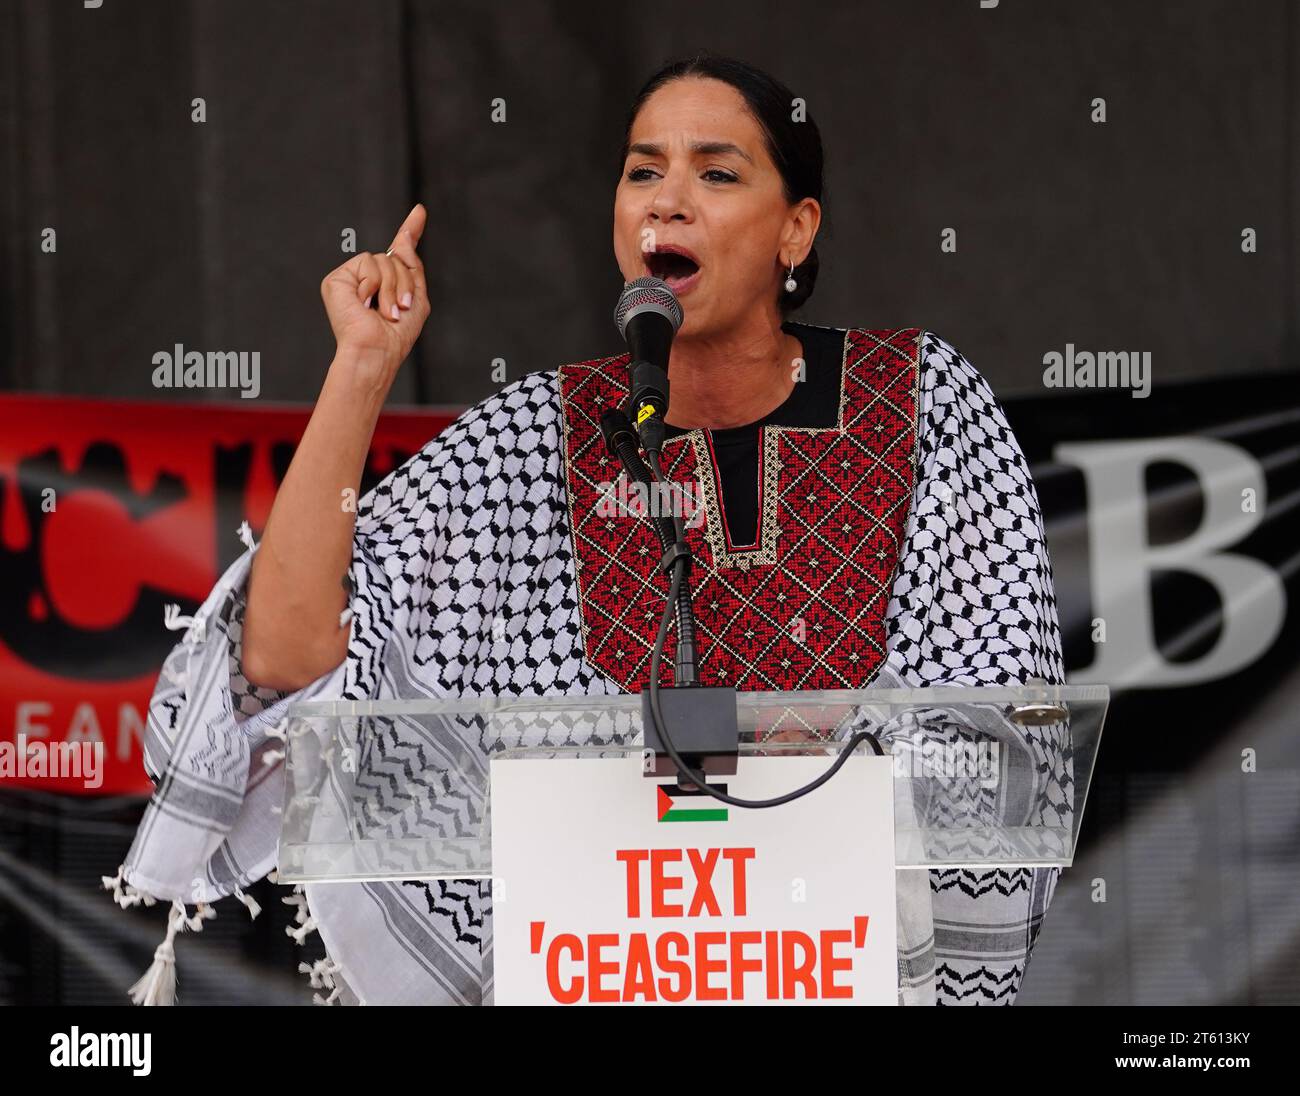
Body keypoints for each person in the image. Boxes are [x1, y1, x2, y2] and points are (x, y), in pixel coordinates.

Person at [106, 53, 1067, 1006]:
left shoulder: (920, 399)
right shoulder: (532, 434)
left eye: (717, 173)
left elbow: (999, 735)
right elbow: (283, 655)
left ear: (796, 230)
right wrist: (363, 367)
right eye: (643, 171)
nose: (667, 201)